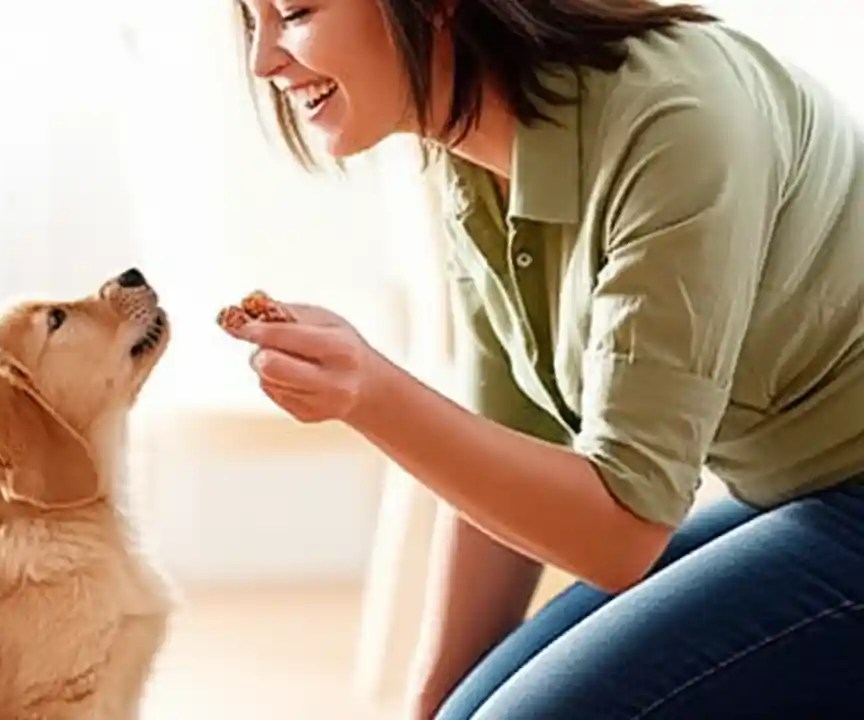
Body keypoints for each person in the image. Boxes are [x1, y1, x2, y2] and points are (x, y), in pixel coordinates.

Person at [226, 1, 864, 718]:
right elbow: (510, 443)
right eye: (252, 22)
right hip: (807, 492)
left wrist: (371, 395)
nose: (263, 60)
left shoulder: (674, 119)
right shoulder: (471, 155)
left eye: (295, 12)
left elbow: (621, 531)